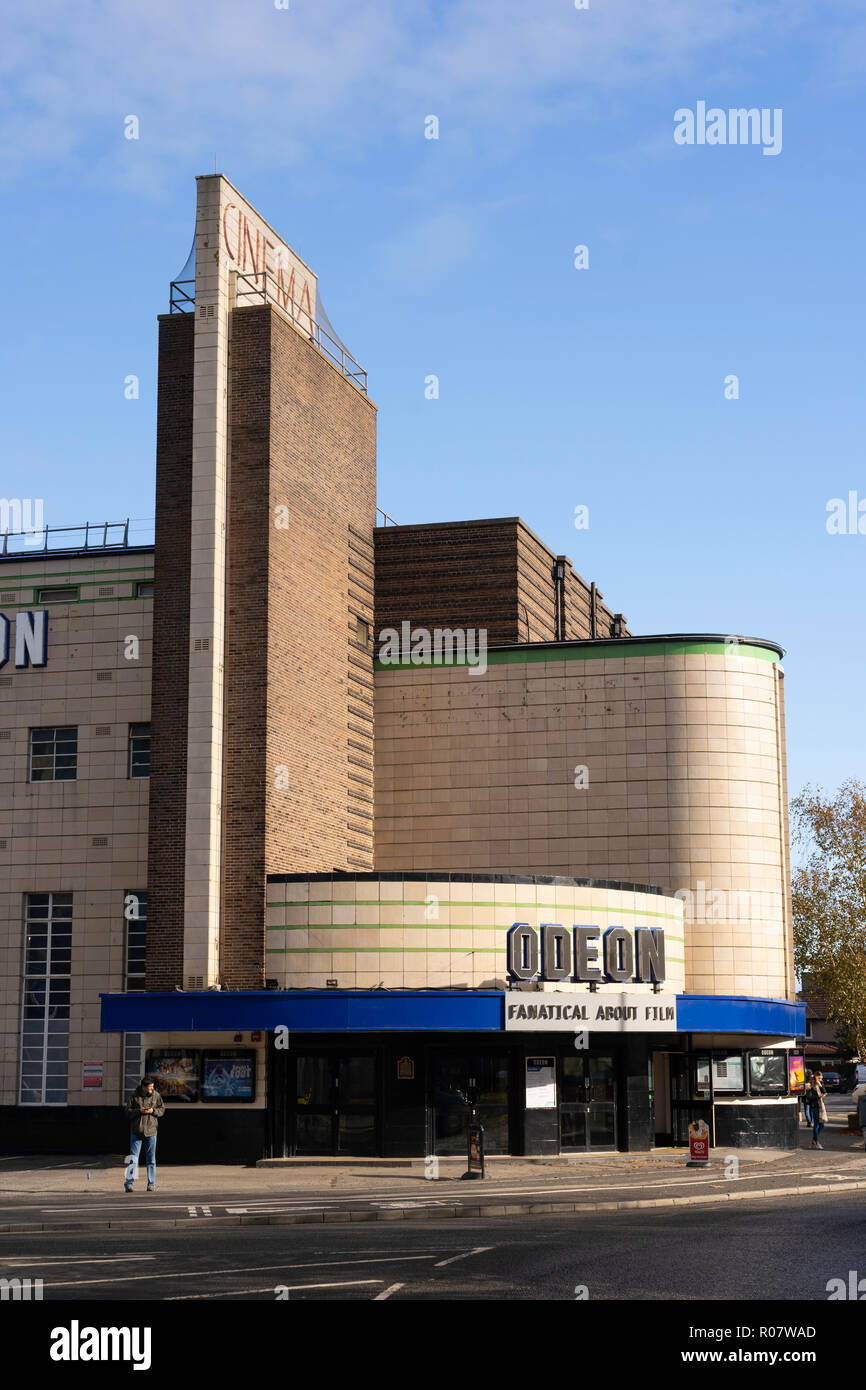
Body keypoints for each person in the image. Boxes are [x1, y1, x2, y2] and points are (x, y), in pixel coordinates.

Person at [124, 1074, 165, 1191]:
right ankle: (129, 1184)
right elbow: (127, 1112)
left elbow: (162, 1109)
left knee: (151, 1159)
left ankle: (151, 1183)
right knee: (133, 1158)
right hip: (136, 1131)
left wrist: (153, 1111)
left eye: (152, 1087)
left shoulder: (156, 1096)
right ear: (143, 1087)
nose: (151, 1089)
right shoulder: (134, 1096)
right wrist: (139, 1111)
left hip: (151, 1131)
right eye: (150, 1087)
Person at [806, 1071, 827, 1149]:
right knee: (817, 1124)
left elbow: (824, 1092)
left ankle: (814, 1140)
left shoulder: (821, 1083)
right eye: (819, 1078)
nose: (821, 1079)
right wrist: (819, 1097)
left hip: (821, 1106)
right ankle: (817, 1142)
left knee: (822, 1125)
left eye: (821, 1078)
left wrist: (821, 1085)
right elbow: (809, 1097)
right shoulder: (810, 1085)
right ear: (815, 1077)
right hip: (815, 1106)